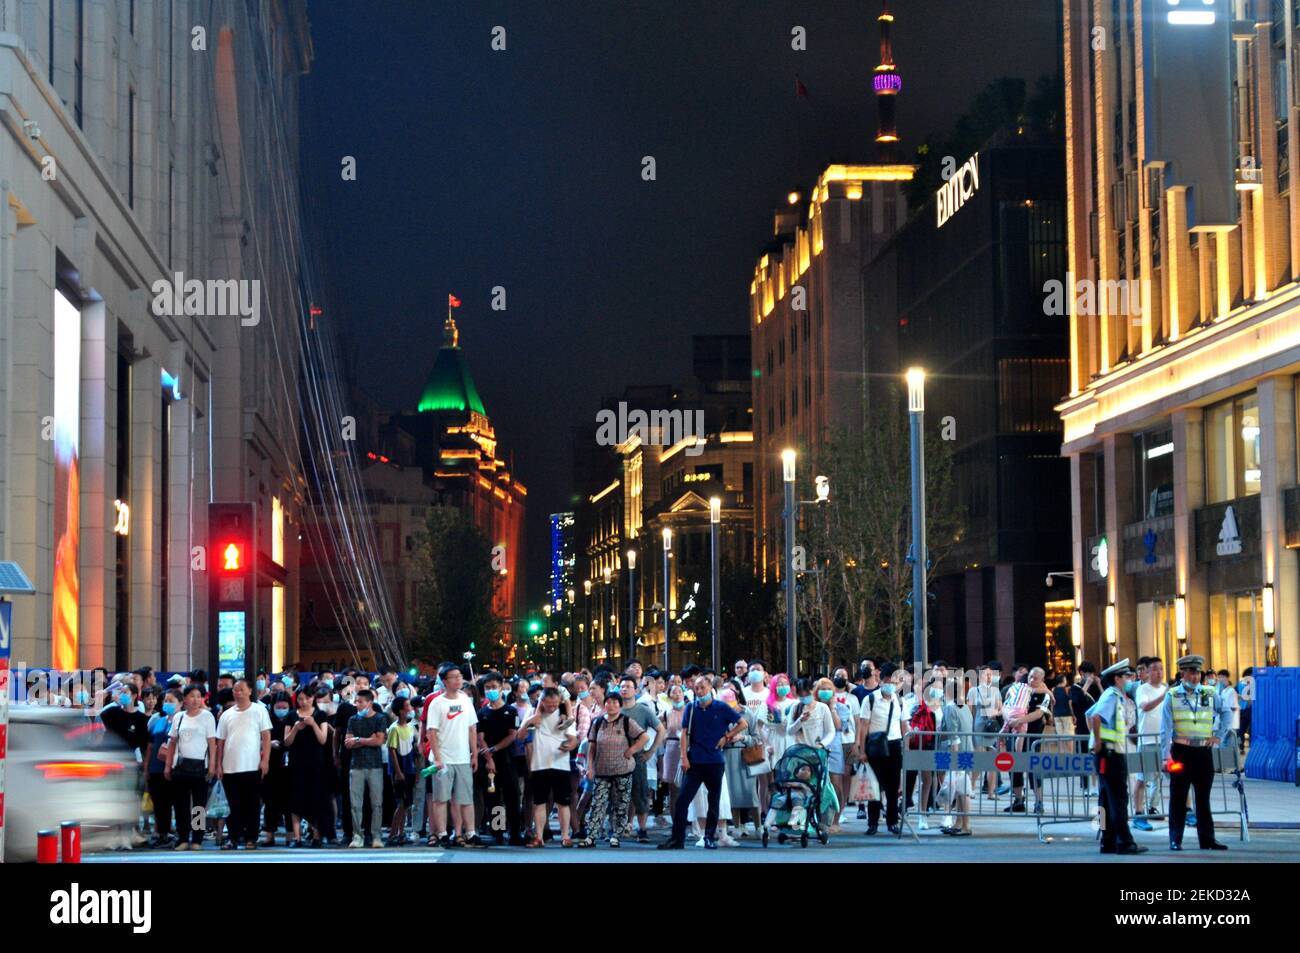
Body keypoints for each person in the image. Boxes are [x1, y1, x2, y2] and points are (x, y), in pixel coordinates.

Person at [658, 674, 747, 850]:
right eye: (696, 688)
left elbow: (742, 723)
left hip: (714, 761)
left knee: (713, 801)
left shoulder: (721, 707)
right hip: (695, 761)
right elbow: (684, 733)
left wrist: (727, 737)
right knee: (683, 800)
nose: (699, 691)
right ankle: (677, 839)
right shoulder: (690, 708)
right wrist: (683, 757)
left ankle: (709, 837)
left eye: (702, 688)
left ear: (710, 689)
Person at [1159, 655, 1230, 851]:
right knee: (1178, 798)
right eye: (1191, 672)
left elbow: (1227, 712)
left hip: (1203, 752)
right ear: (1183, 673)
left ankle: (1207, 840)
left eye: (1198, 672)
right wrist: (1167, 756)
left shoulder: (1209, 692)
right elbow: (1165, 728)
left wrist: (1219, 735)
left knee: (1203, 799)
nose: (1196, 676)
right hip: (1181, 751)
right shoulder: (1172, 695)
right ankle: (1175, 839)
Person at [1085, 659, 1147, 855]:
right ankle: (1124, 841)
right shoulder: (1111, 696)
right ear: (1117, 678)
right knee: (1118, 799)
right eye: (1126, 676)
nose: (1130, 680)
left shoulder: (1115, 696)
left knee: (1105, 799)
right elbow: (1095, 717)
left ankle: (1107, 840)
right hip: (1110, 755)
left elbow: (1089, 714)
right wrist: (1098, 742)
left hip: (1108, 754)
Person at [425, 666, 485, 848]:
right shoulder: (437, 702)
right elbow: (431, 732)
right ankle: (442, 833)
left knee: (466, 798)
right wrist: (437, 758)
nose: (459, 680)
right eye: (454, 677)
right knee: (441, 798)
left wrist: (474, 754)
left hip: (462, 758)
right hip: (443, 758)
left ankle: (470, 833)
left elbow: (472, 728)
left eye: (460, 676)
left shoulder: (466, 700)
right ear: (444, 681)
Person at [578, 691, 648, 848]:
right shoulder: (597, 722)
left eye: (615, 702)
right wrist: (589, 766)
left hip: (622, 769)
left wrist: (632, 750)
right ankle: (592, 836)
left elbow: (644, 737)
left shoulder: (626, 721)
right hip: (601, 770)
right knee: (598, 803)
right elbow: (591, 746)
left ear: (620, 705)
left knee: (620, 804)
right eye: (608, 702)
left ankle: (616, 834)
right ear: (605, 704)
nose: (611, 705)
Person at [214, 678, 272, 851]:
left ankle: (251, 837)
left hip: (251, 766)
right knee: (232, 806)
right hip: (229, 766)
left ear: (249, 691)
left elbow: (266, 737)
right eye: (235, 690)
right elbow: (220, 742)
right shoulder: (226, 714)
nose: (237, 692)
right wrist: (218, 764)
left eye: (241, 689)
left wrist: (265, 760)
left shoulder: (259, 710)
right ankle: (233, 837)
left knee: (252, 805)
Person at [520, 687, 578, 847]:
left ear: (559, 701)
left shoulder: (564, 715)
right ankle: (539, 836)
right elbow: (520, 735)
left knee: (563, 803)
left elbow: (574, 739)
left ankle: (565, 836)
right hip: (539, 764)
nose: (552, 707)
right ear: (542, 701)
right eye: (548, 704)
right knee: (539, 802)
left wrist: (569, 745)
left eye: (555, 704)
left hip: (561, 764)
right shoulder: (533, 712)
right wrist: (529, 721)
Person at [164, 684, 217, 850]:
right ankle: (183, 838)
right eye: (192, 696)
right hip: (180, 767)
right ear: (185, 699)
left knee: (199, 806)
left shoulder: (207, 716)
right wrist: (167, 765)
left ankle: (197, 839)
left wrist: (213, 765)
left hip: (200, 767)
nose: (195, 699)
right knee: (180, 806)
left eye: (198, 696)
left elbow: (212, 743)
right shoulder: (179, 717)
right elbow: (172, 743)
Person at [856, 664, 906, 835]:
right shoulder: (870, 700)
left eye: (894, 682)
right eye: (887, 681)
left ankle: (892, 821)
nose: (890, 685)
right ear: (880, 679)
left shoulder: (899, 700)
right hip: (875, 746)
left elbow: (903, 724)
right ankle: (873, 823)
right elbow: (863, 727)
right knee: (874, 786)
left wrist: (905, 747)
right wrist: (862, 751)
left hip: (894, 745)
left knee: (893, 787)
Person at [477, 673, 523, 846]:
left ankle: (515, 832)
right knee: (493, 797)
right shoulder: (482, 713)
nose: (491, 690)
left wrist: (495, 748)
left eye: (494, 687)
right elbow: (480, 737)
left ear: (502, 686)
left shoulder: (511, 711)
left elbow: (513, 735)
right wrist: (489, 757)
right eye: (487, 688)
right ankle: (498, 831)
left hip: (508, 760)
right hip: (489, 763)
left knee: (512, 796)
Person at [286, 686, 333, 847]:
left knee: (316, 799)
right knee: (296, 800)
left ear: (313, 698)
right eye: (300, 699)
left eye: (306, 698)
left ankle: (316, 836)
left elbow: (323, 739)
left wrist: (313, 724)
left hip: (316, 764)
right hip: (296, 763)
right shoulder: (291, 716)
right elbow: (287, 742)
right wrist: (295, 729)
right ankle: (297, 837)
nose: (303, 701)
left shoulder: (320, 715)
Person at [617, 674, 661, 843]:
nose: (624, 689)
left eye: (628, 686)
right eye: (622, 686)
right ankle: (618, 828)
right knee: (618, 795)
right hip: (616, 758)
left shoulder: (643, 710)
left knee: (640, 793)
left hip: (637, 757)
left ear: (635, 690)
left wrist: (651, 751)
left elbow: (661, 730)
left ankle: (642, 829)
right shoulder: (615, 709)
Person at [344, 688, 388, 848]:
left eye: (361, 701)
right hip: (356, 765)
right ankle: (357, 836)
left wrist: (358, 739)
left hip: (375, 765)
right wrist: (367, 739)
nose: (358, 704)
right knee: (355, 804)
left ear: (370, 703)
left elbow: (379, 741)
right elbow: (348, 743)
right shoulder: (352, 720)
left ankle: (376, 836)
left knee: (377, 803)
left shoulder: (380, 718)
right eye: (356, 701)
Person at [1131, 657, 1168, 831]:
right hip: (1147, 740)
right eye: (1154, 669)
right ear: (1147, 671)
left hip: (1164, 742)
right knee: (1142, 778)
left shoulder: (1166, 688)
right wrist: (1163, 697)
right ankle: (1138, 814)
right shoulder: (1142, 689)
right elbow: (1145, 707)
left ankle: (1184, 811)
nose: (1158, 672)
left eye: (1161, 669)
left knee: (1168, 777)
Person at [144, 689, 183, 847]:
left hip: (179, 769)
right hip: (157, 768)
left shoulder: (184, 720)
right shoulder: (158, 721)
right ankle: (162, 833)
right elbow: (150, 746)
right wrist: (147, 767)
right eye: (165, 700)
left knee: (185, 804)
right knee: (160, 804)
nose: (167, 704)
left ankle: (194, 832)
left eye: (171, 701)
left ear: (181, 703)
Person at [383, 695, 418, 846]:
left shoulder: (410, 728)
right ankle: (392, 834)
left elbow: (413, 750)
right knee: (401, 803)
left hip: (409, 769)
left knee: (406, 803)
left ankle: (401, 833)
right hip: (400, 771)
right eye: (408, 706)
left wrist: (414, 771)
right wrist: (398, 772)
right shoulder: (394, 729)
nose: (410, 708)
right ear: (401, 711)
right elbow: (392, 751)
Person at [1236, 668, 1254, 752]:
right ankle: (1242, 746)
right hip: (1245, 710)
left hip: (1246, 710)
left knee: (1243, 730)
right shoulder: (1241, 684)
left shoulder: (1240, 684)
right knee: (1242, 730)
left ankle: (1243, 747)